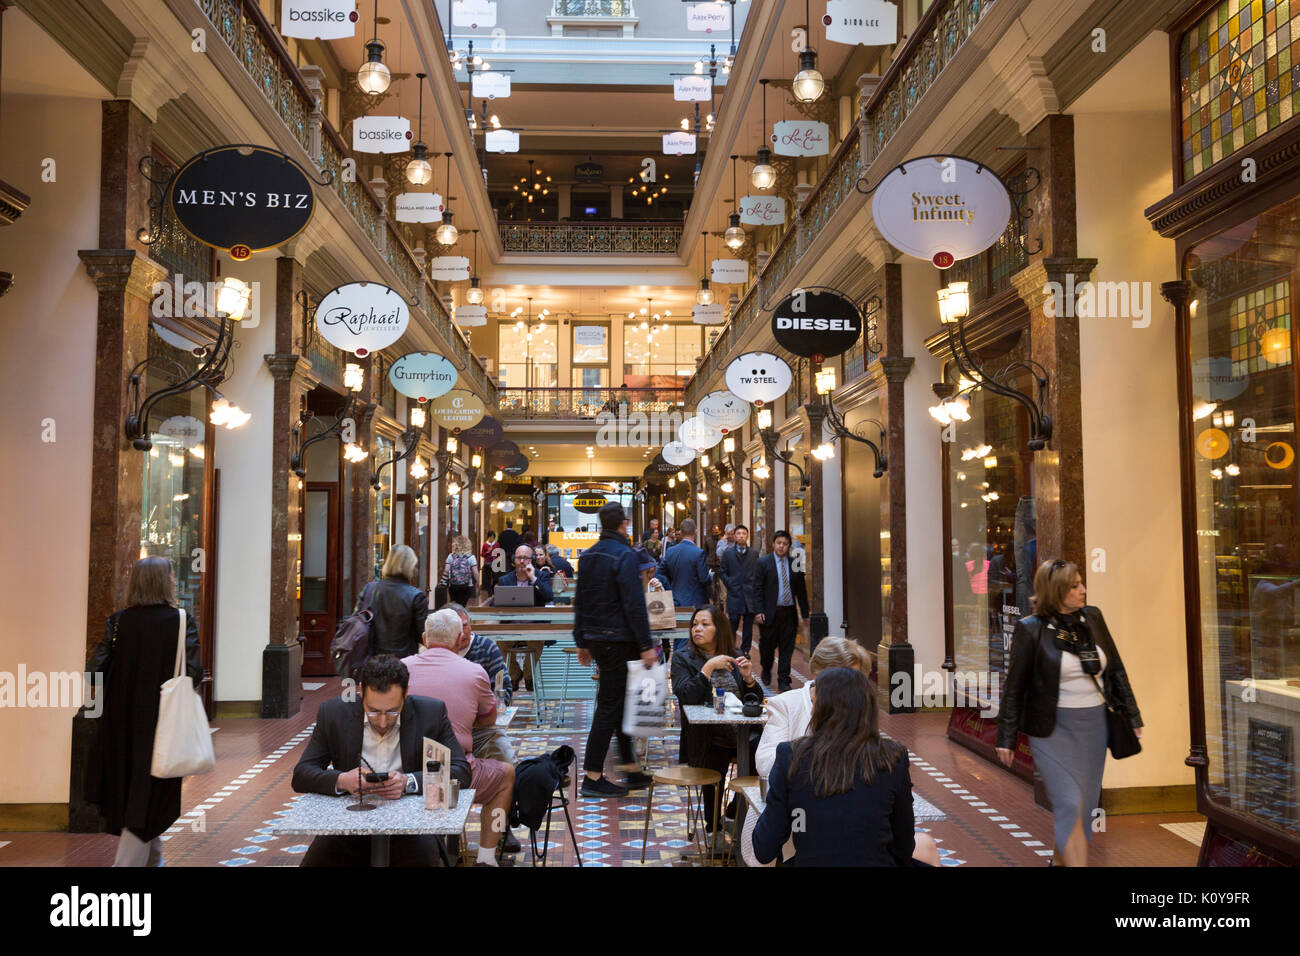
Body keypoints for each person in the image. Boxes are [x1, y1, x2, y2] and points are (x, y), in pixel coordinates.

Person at [996, 559, 1143, 867]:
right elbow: (1014, 687)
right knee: (1068, 806)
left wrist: (1132, 716)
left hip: (1093, 729)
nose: (1083, 590)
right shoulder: (1031, 630)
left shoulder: (1093, 618)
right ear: (1056, 591)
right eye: (1075, 585)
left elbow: (1115, 670)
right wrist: (1006, 738)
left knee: (1082, 813)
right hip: (1053, 733)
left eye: (1082, 583)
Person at [291, 655, 470, 866]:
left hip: (412, 827)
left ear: (406, 694)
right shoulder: (334, 713)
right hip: (347, 825)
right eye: (373, 711)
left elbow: (461, 771)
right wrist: (343, 780)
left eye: (393, 711)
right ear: (360, 692)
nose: (383, 722)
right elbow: (302, 774)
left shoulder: (430, 713)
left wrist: (408, 782)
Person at [753, 668, 940, 867]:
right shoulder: (893, 757)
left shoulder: (791, 755)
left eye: (814, 704)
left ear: (822, 710)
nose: (810, 711)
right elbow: (903, 845)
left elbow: (764, 848)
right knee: (926, 846)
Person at [85, 556, 202, 867]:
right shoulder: (180, 620)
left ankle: (155, 861)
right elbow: (194, 673)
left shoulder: (118, 621)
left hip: (119, 725)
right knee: (145, 802)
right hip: (163, 725)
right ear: (164, 582)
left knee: (133, 798)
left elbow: (94, 670)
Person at [403, 610, 517, 865]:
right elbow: (489, 718)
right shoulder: (474, 672)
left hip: (405, 769)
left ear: (424, 637)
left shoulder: (401, 667)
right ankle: (487, 857)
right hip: (453, 771)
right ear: (459, 639)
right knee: (506, 775)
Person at [574, 500, 658, 797]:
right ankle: (592, 777)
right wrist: (646, 645)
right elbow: (634, 604)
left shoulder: (589, 556)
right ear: (624, 524)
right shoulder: (624, 555)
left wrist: (582, 641)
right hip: (620, 641)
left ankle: (631, 770)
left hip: (598, 640)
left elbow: (580, 601)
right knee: (610, 706)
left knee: (621, 703)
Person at [670, 605, 763, 840]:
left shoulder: (734, 652)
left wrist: (749, 678)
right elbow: (685, 695)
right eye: (694, 624)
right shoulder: (682, 658)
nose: (697, 629)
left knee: (761, 751)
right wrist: (708, 668)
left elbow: (756, 700)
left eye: (704, 624)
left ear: (719, 628)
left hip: (740, 732)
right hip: (706, 734)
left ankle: (733, 813)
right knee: (715, 756)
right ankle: (713, 830)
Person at [443, 602, 515, 763]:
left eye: (466, 625)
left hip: (480, 726)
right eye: (457, 628)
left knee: (505, 755)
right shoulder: (438, 652)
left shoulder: (487, 648)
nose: (463, 632)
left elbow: (504, 690)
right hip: (445, 729)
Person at [753, 530, 809, 691]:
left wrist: (805, 613)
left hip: (789, 613)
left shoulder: (795, 563)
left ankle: (784, 679)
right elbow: (756, 589)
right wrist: (758, 611)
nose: (781, 546)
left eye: (785, 544)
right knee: (767, 647)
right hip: (769, 613)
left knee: (787, 648)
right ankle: (766, 668)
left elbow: (801, 591)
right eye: (779, 543)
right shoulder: (763, 563)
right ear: (773, 544)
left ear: (789, 546)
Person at [363, 544, 428, 658]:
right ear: (410, 566)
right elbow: (422, 635)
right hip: (403, 660)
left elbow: (359, 621)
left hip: (371, 658)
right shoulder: (416, 596)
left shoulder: (370, 589)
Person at [649, 517, 712, 607]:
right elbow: (704, 579)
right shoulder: (699, 553)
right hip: (695, 602)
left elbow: (659, 574)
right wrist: (710, 576)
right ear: (695, 532)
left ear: (681, 533)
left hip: (674, 600)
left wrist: (668, 587)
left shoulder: (670, 551)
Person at [720, 523, 759, 656]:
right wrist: (730, 583)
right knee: (733, 623)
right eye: (739, 534)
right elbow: (723, 572)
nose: (741, 536)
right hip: (734, 594)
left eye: (743, 534)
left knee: (748, 625)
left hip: (749, 595)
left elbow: (757, 573)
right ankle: (731, 648)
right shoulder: (728, 553)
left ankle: (745, 650)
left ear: (747, 536)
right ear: (734, 536)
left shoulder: (753, 554)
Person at [442, 535, 479, 608]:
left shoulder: (451, 556)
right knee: (462, 605)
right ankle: (461, 617)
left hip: (453, 585)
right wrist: (478, 582)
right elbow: (475, 572)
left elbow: (446, 571)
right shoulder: (471, 557)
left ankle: (455, 617)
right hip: (467, 585)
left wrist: (443, 582)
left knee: (454, 605)